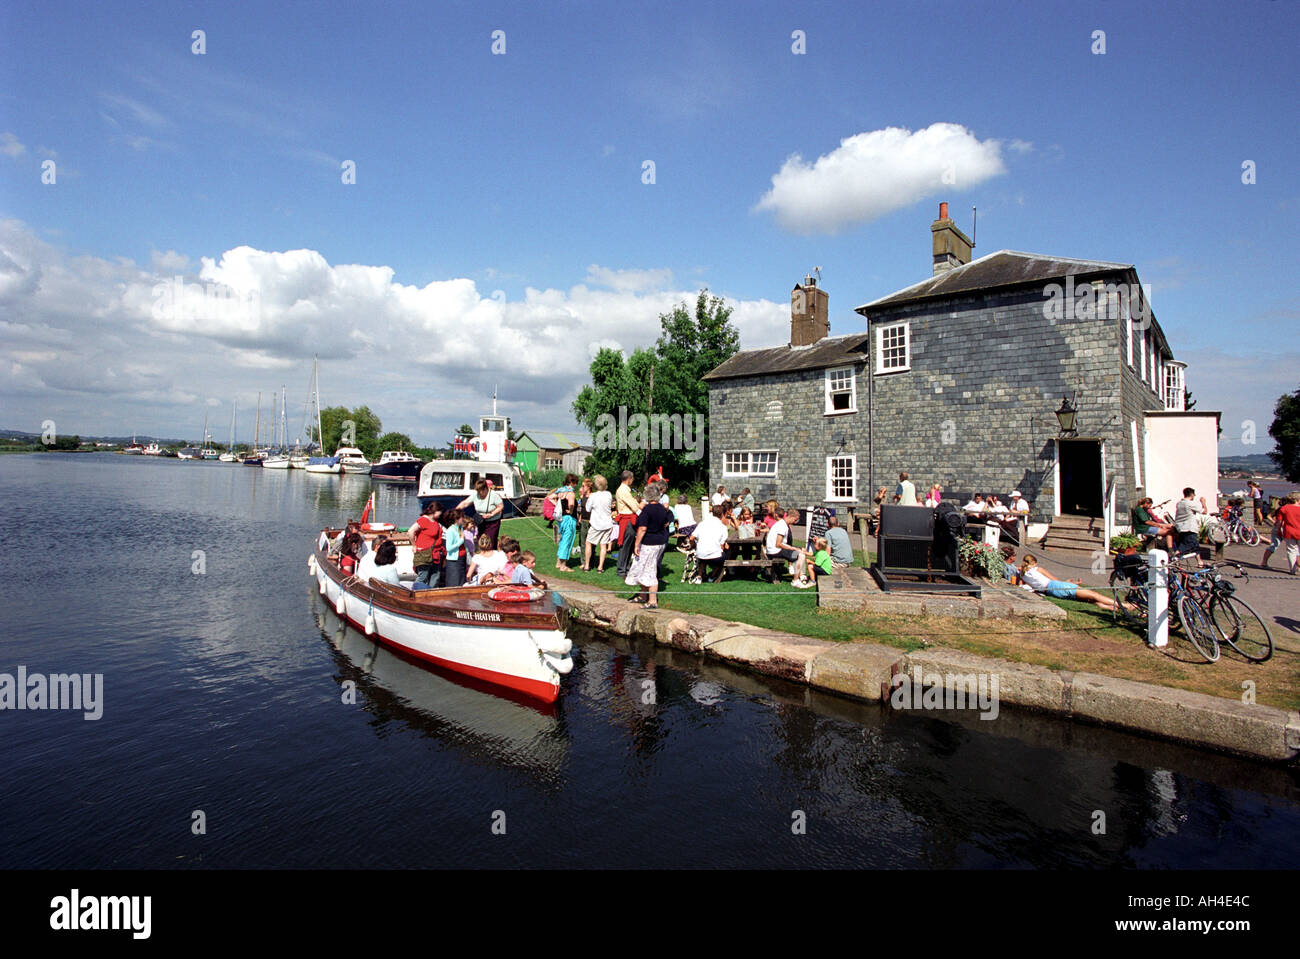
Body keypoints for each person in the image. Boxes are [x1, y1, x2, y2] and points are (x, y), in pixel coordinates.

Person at [1019, 553, 1132, 612]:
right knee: (1093, 595)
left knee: (1088, 600)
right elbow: (1055, 580)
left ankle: (1111, 608)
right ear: (1033, 562)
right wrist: (1068, 582)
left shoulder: (1023, 575)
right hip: (1055, 585)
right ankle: (1124, 606)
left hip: (1049, 592)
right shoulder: (1038, 569)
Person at [625, 481, 671, 608]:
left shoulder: (647, 510)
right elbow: (666, 523)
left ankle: (652, 600)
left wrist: (636, 544)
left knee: (649, 570)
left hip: (650, 543)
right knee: (644, 567)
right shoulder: (663, 509)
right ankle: (642, 595)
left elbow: (642, 528)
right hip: (661, 541)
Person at [457, 479, 504, 553]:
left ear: (486, 488)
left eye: (481, 491)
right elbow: (465, 503)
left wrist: (492, 514)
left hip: (493, 522)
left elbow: (500, 506)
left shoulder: (494, 495)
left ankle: (491, 557)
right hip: (480, 521)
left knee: (490, 541)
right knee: (480, 541)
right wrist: (456, 510)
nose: (479, 493)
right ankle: (484, 556)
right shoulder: (476, 494)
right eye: (478, 491)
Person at [766, 508, 810, 587]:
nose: (795, 522)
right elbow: (778, 544)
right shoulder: (782, 526)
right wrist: (793, 548)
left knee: (801, 550)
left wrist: (796, 548)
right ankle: (795, 581)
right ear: (791, 517)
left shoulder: (783, 524)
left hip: (776, 549)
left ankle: (801, 575)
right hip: (775, 551)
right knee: (801, 555)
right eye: (795, 520)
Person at [581, 474, 615, 572]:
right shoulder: (608, 494)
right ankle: (600, 567)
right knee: (603, 545)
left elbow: (587, 508)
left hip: (596, 524)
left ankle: (587, 566)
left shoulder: (593, 496)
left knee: (588, 543)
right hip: (607, 524)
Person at [689, 504, 730, 583]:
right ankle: (712, 576)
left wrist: (693, 545)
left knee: (703, 559)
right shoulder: (723, 527)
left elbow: (691, 537)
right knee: (724, 556)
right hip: (715, 556)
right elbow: (722, 546)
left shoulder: (702, 523)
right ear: (722, 514)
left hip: (701, 553)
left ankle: (699, 576)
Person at [1262, 491, 1300, 574]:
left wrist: (1278, 530)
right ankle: (1297, 567)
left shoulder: (1283, 508)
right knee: (1297, 551)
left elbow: (1278, 522)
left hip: (1289, 531)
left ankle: (1292, 570)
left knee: (1291, 551)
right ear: (1297, 499)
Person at [410, 502, 446, 588]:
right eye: (440, 512)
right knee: (423, 576)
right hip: (425, 553)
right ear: (435, 511)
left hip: (436, 554)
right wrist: (414, 545)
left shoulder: (436, 522)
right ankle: (415, 593)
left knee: (435, 576)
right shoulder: (424, 520)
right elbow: (411, 531)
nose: (441, 514)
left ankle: (431, 593)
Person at [614, 470, 640, 578]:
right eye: (632, 478)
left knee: (629, 546)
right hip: (627, 519)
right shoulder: (623, 490)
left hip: (629, 519)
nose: (632, 480)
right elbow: (634, 505)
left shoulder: (624, 490)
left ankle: (626, 567)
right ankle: (621, 570)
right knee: (625, 545)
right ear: (628, 479)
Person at [551, 473, 579, 571]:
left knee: (563, 540)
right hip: (569, 519)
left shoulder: (561, 491)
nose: (576, 485)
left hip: (562, 519)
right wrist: (570, 511)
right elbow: (571, 504)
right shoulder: (570, 493)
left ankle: (558, 563)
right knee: (567, 541)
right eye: (575, 482)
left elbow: (549, 497)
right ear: (571, 482)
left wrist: (557, 506)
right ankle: (563, 566)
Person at [1172, 487, 1208, 561]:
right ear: (1191, 494)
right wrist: (1203, 502)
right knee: (1187, 545)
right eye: (1194, 495)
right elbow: (1204, 511)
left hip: (1180, 527)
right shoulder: (1190, 503)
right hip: (1189, 527)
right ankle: (1174, 557)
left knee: (1195, 545)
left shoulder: (1179, 503)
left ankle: (1199, 561)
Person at [441, 508, 468, 587]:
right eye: (461, 517)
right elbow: (449, 548)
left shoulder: (460, 528)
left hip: (462, 558)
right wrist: (461, 541)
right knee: (454, 582)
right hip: (454, 561)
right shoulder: (450, 530)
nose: (463, 519)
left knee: (462, 582)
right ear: (456, 519)